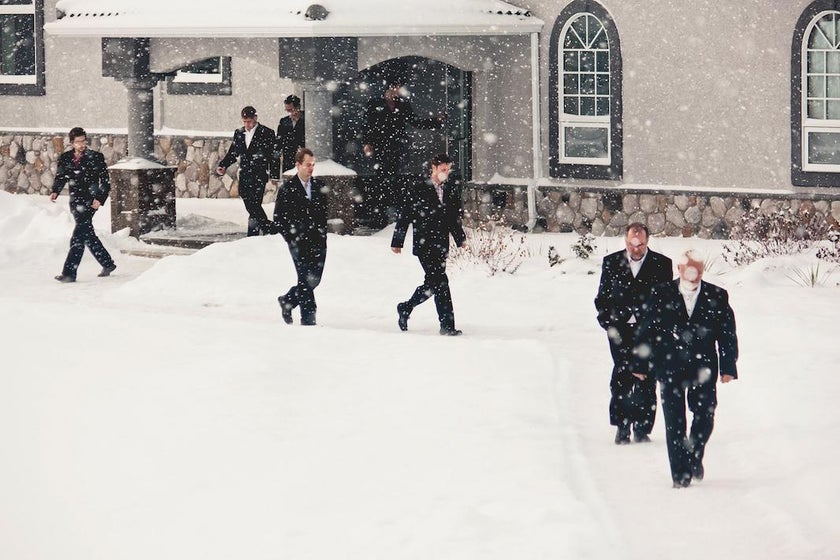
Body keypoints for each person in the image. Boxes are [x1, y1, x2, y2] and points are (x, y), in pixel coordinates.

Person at [631, 250, 739, 488]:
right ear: (679, 270)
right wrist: (639, 362)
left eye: (698, 270)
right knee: (674, 421)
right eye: (689, 270)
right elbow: (646, 329)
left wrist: (728, 366)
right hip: (670, 365)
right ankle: (680, 474)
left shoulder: (717, 295)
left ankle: (694, 453)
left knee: (705, 416)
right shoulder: (661, 293)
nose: (694, 275)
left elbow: (727, 334)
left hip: (703, 367)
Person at [594, 223, 673, 445]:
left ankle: (642, 427)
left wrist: (659, 326)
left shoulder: (661, 264)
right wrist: (607, 322)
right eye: (631, 244)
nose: (635, 249)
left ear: (647, 241)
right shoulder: (612, 262)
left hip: (649, 332)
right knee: (622, 375)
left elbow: (666, 300)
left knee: (647, 378)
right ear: (625, 240)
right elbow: (603, 297)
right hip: (620, 331)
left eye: (640, 244)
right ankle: (622, 426)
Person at [391, 153, 466, 336]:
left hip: (441, 244)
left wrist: (460, 238)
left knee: (435, 283)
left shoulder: (449, 189)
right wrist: (398, 240)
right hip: (424, 243)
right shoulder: (419, 188)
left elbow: (452, 217)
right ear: (433, 168)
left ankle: (406, 307)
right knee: (440, 281)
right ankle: (446, 325)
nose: (445, 172)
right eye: (442, 169)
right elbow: (406, 214)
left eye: (448, 169)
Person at [363, 80, 444, 224]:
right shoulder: (375, 103)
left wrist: (436, 121)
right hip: (380, 146)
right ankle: (379, 215)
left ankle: (392, 213)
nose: (397, 91)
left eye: (399, 88)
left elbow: (415, 121)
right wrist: (367, 142)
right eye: (395, 88)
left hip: (396, 146)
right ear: (389, 88)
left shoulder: (403, 104)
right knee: (381, 179)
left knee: (393, 179)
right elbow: (367, 124)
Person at [50, 127, 117, 283]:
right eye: (78, 142)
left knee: (78, 236)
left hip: (90, 202)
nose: (81, 144)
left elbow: (105, 182)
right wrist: (55, 191)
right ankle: (107, 263)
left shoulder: (96, 157)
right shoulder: (66, 158)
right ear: (71, 143)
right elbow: (61, 176)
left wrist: (99, 199)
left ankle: (69, 273)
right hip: (75, 202)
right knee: (87, 233)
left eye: (83, 141)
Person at [273, 148, 327, 326]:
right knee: (305, 280)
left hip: (318, 241)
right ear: (298, 165)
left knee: (314, 279)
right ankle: (308, 318)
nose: (311, 168)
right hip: (298, 242)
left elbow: (322, 214)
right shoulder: (288, 189)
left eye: (313, 165)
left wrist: (322, 234)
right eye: (307, 165)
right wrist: (291, 237)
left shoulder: (319, 186)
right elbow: (278, 218)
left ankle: (287, 300)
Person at [217, 106, 279, 236]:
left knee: (255, 204)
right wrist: (223, 165)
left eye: (249, 121)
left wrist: (274, 175)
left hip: (259, 174)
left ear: (255, 118)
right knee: (250, 204)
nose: (247, 124)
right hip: (244, 174)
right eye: (244, 121)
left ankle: (253, 234)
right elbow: (233, 152)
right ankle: (270, 228)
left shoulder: (267, 133)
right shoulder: (239, 133)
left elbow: (274, 156)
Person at [276, 94, 306, 173]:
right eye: (287, 110)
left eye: (291, 110)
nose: (290, 113)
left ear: (298, 107)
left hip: (303, 158)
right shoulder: (284, 121)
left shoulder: (306, 120)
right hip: (288, 160)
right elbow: (279, 142)